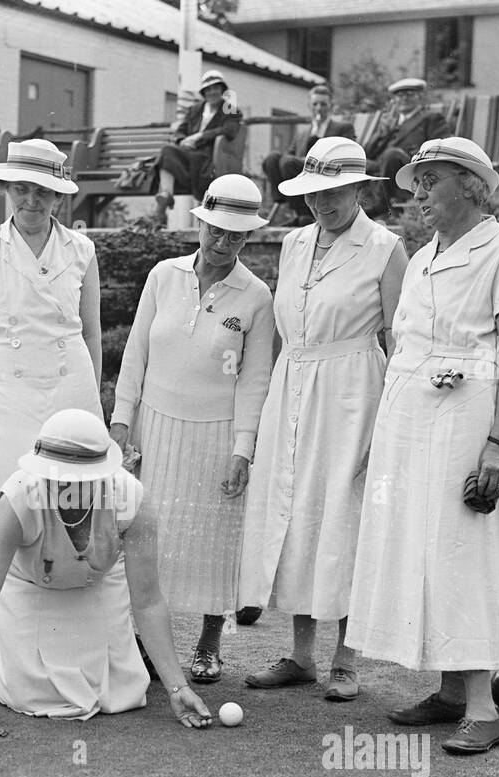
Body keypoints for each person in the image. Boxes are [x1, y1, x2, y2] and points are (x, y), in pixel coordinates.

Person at [346, 137, 499, 754]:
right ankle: (453, 692)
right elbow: (405, 342)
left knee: (460, 549)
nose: (420, 193)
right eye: (418, 182)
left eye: (431, 180)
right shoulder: (425, 255)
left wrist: (498, 446)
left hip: (464, 417)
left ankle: (484, 710)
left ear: (470, 186)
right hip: (409, 415)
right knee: (422, 547)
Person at [240, 138, 407, 702]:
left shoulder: (386, 249)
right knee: (294, 510)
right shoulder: (292, 243)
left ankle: (345, 659)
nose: (320, 203)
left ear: (359, 188)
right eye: (312, 193)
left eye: (332, 192)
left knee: (342, 512)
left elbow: (400, 341)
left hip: (353, 391)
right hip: (293, 386)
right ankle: (300, 655)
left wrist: (387, 422)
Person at [0, 410, 213, 727]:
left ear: (102, 475)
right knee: (33, 692)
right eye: (53, 477)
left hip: (99, 583)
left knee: (120, 692)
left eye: (75, 480)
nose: (61, 487)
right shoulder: (17, 503)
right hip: (28, 585)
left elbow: (148, 601)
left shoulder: (132, 501)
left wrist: (177, 687)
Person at [109, 174, 274, 684]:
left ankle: (208, 641)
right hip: (154, 427)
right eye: (215, 231)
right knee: (144, 535)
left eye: (236, 235)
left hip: (216, 433)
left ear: (248, 238)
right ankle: (140, 642)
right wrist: (120, 423)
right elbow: (135, 353)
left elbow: (255, 380)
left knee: (213, 540)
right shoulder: (163, 275)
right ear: (199, 223)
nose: (223, 244)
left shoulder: (257, 296)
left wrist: (243, 450)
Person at [0, 138, 102, 577]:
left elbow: (90, 331)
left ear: (58, 196)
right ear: (6, 190)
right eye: (22, 189)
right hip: (0, 393)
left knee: (70, 502)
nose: (32, 201)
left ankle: (68, 606)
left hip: (67, 387)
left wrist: (91, 403)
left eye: (42, 191)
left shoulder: (81, 250)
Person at [150, 70, 241, 224]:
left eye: (216, 88)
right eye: (209, 89)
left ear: (222, 90)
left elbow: (229, 130)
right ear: (204, 92)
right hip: (188, 153)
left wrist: (200, 136)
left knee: (187, 158)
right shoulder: (195, 109)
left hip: (209, 156)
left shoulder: (229, 109)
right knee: (167, 150)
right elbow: (180, 130)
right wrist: (182, 141)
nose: (212, 92)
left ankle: (167, 198)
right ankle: (165, 196)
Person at [260, 84, 356, 227]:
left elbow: (348, 153)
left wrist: (317, 135)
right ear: (309, 106)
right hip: (299, 171)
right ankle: (282, 198)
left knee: (288, 163)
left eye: (323, 104)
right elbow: (289, 155)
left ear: (330, 106)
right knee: (272, 158)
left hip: (325, 170)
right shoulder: (303, 133)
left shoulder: (342, 128)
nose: (319, 108)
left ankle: (303, 214)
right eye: (315, 104)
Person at [362, 78, 453, 217]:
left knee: (391, 154)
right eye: (399, 95)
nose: (404, 98)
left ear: (420, 97)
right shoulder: (390, 121)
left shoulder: (431, 118)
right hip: (384, 169)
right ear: (394, 100)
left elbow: (442, 148)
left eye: (409, 94)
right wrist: (382, 133)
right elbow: (366, 153)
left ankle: (381, 204)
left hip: (412, 170)